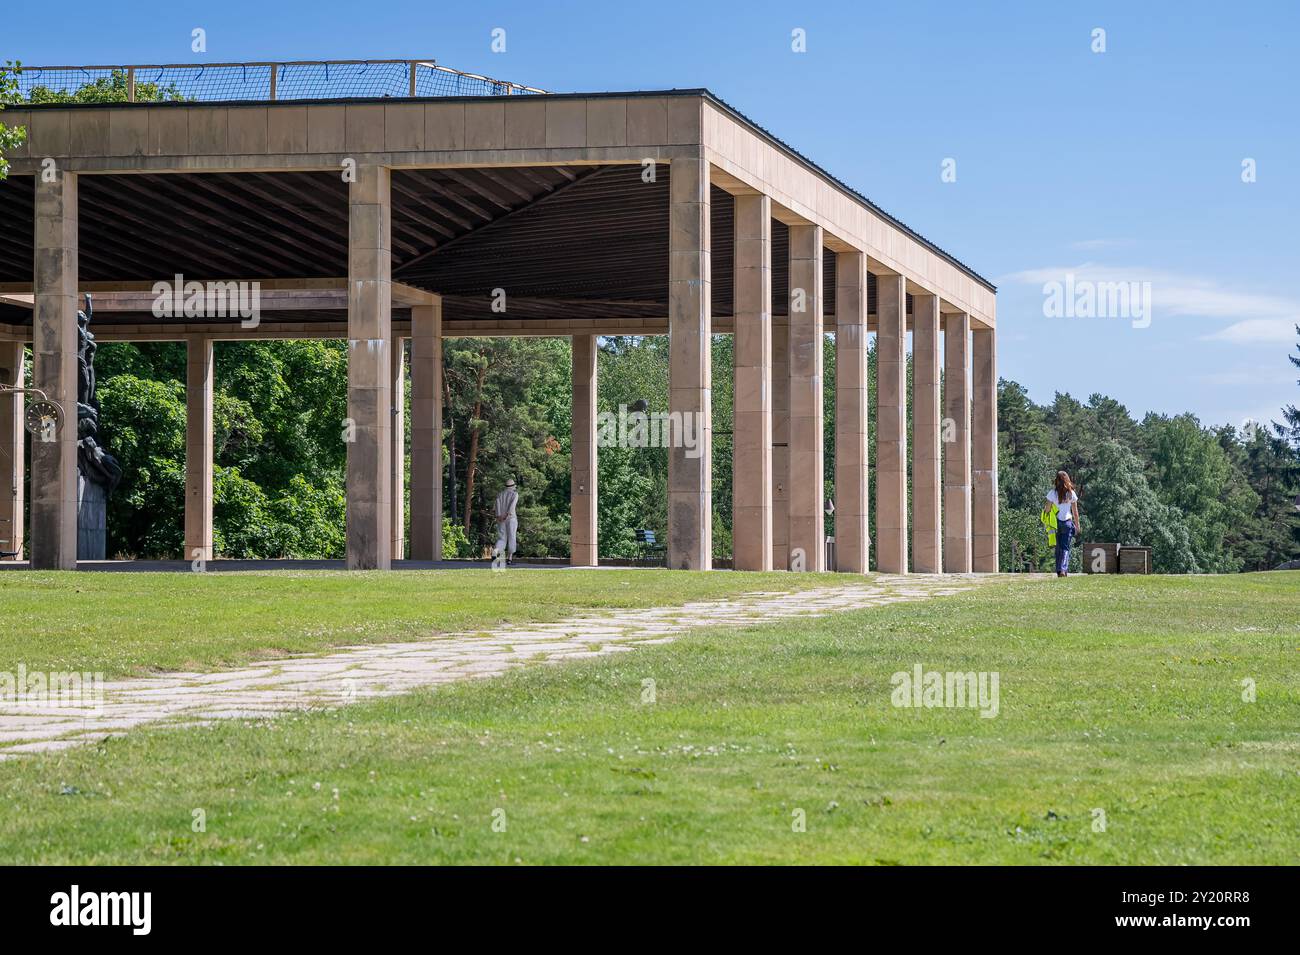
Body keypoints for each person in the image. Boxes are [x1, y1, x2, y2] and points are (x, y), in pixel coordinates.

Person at [1045, 470, 1081, 577]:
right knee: (1065, 548)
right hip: (1067, 523)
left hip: (1056, 523)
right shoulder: (1071, 494)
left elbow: (1047, 510)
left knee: (1058, 548)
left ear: (1056, 480)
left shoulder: (1052, 493)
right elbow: (1075, 512)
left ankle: (1058, 570)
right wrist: (1078, 525)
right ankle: (1063, 570)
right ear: (1067, 480)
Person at [493, 478, 519, 565]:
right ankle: (509, 558)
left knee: (501, 538)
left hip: (500, 518)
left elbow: (497, 505)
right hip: (511, 518)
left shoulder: (500, 494)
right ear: (513, 486)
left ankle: (496, 555)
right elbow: (512, 506)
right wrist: (506, 515)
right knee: (512, 537)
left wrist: (499, 516)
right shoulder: (515, 494)